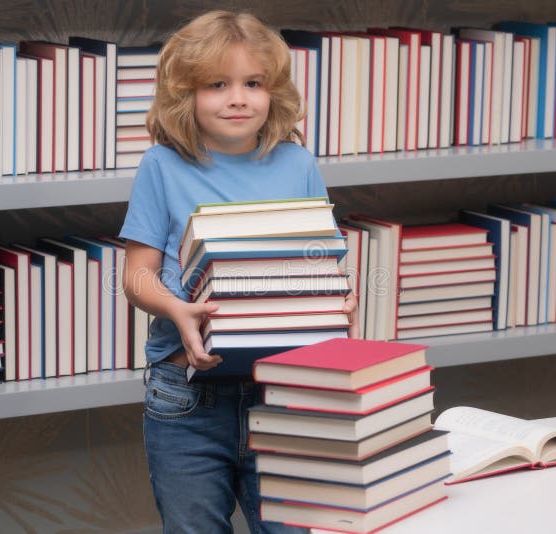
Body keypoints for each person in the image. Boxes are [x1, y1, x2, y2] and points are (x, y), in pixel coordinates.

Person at [119, 10, 359, 533]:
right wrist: (175, 308)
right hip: (188, 394)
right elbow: (137, 275)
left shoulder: (298, 164)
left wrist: (338, 302)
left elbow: (322, 262)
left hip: (285, 390)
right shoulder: (161, 166)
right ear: (185, 95)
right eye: (217, 84)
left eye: (253, 83)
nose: (238, 98)